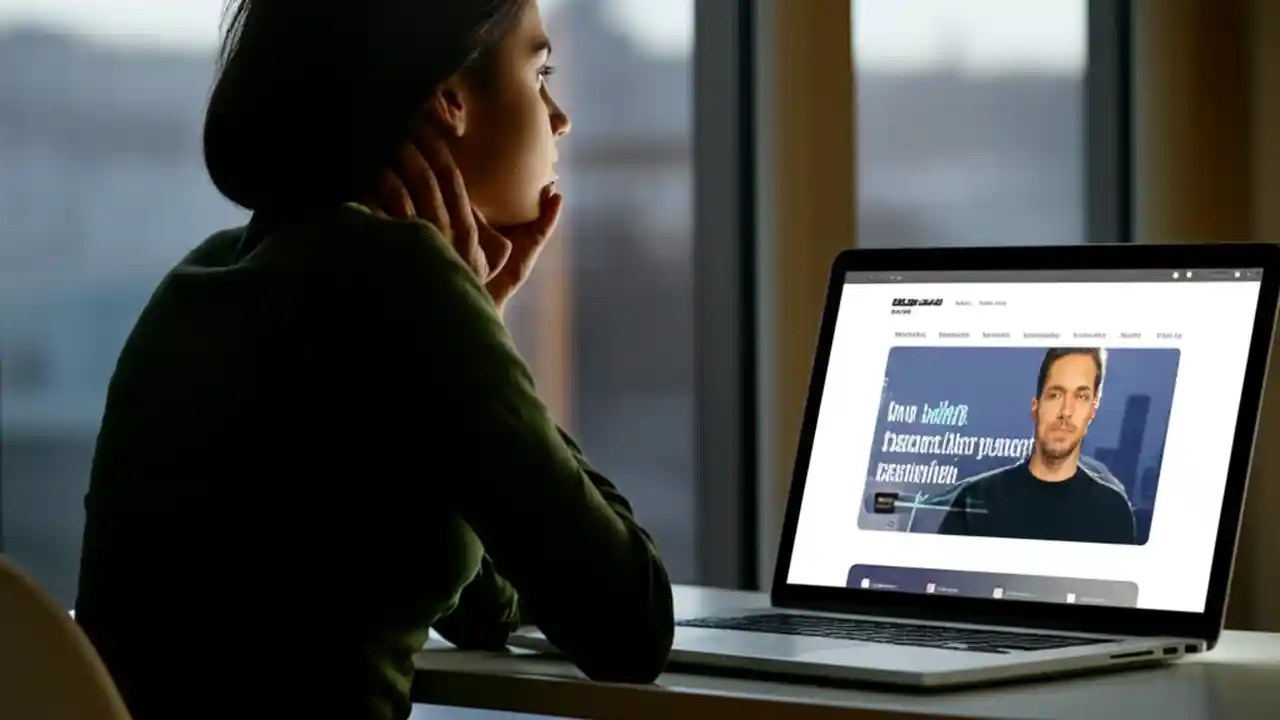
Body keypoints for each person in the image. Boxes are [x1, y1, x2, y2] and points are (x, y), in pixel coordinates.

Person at [72, 2, 674, 719]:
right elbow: (629, 624)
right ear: (450, 98)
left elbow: (490, 606)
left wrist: (474, 329)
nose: (561, 118)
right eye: (539, 73)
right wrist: (476, 327)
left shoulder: (202, 278)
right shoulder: (403, 285)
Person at [936, 348, 1137, 545]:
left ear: (1092, 410)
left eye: (1081, 396)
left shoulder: (1113, 512)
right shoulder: (973, 501)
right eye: (1056, 395)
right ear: (1036, 406)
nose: (1066, 411)